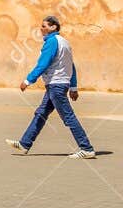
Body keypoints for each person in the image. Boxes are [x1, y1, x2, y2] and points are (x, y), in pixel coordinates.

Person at [7, 16, 96, 159]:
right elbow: (71, 66)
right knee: (41, 113)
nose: (41, 29)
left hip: (56, 85)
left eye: (44, 26)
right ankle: (25, 144)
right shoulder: (65, 43)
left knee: (68, 116)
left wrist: (28, 80)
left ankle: (86, 148)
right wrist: (73, 87)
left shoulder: (52, 41)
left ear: (54, 27)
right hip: (58, 84)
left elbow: (43, 63)